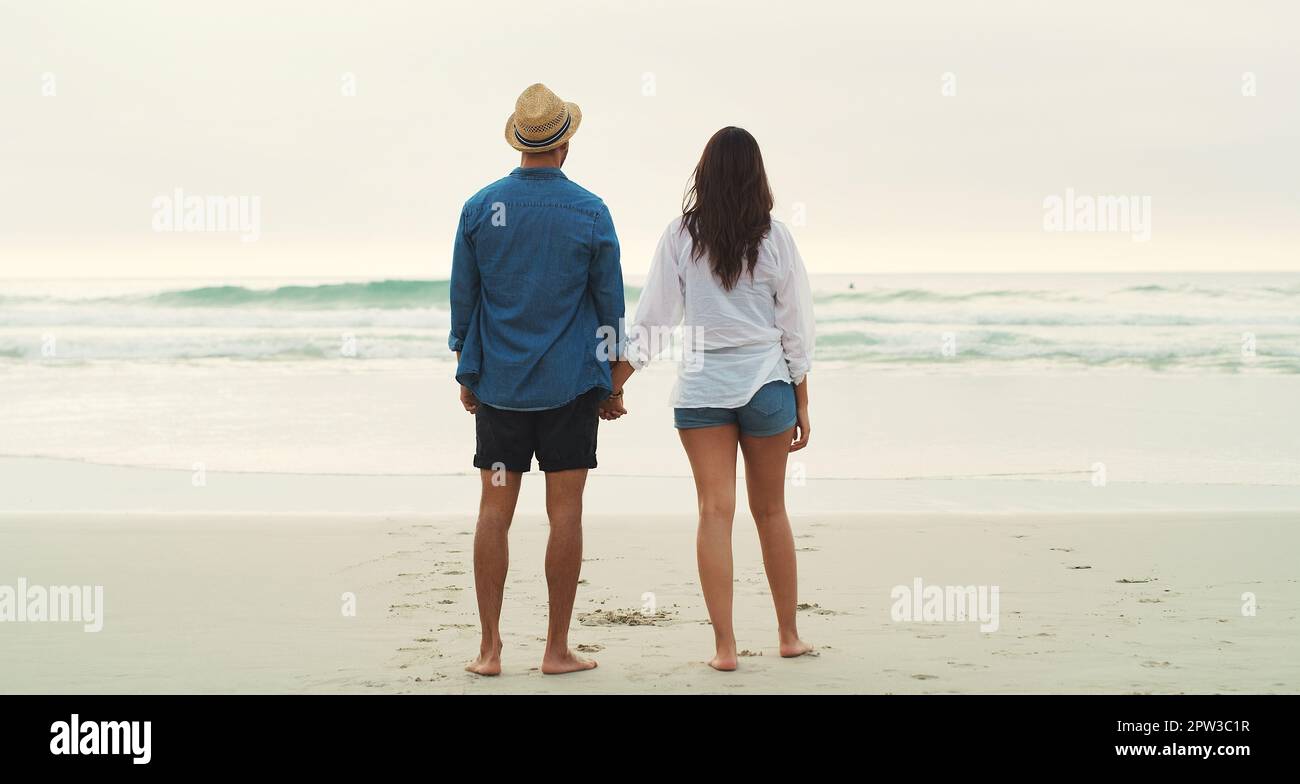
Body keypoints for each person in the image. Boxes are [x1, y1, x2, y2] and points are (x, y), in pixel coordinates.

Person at [608, 126, 815, 671]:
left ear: (705, 173)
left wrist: (616, 381)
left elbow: (654, 320)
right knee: (771, 512)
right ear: (756, 174)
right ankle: (788, 636)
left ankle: (725, 649)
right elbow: (796, 329)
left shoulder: (682, 235)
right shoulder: (777, 238)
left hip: (701, 389)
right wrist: (803, 398)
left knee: (714, 512)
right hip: (767, 383)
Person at [448, 83, 626, 676]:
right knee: (566, 513)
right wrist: (612, 383)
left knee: (494, 512)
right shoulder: (590, 211)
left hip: (500, 389)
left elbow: (465, 303)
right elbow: (610, 307)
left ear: (521, 142)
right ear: (565, 143)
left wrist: (467, 370)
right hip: (571, 388)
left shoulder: (480, 208)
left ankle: (490, 649)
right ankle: (555, 649)